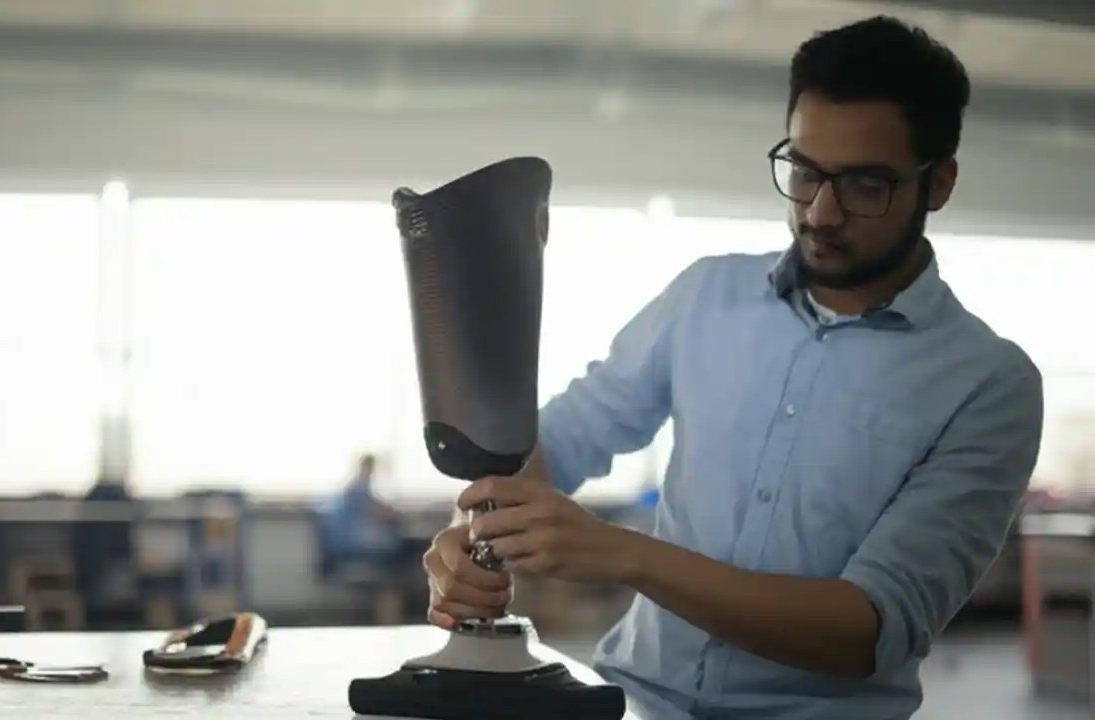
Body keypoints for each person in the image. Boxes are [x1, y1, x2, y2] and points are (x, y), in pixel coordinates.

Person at [422, 15, 1044, 720]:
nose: (821, 212)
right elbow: (558, 442)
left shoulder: (989, 386)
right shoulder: (706, 296)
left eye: (866, 185)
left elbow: (866, 629)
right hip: (636, 702)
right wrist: (470, 533)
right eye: (804, 172)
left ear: (939, 183)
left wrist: (625, 555)